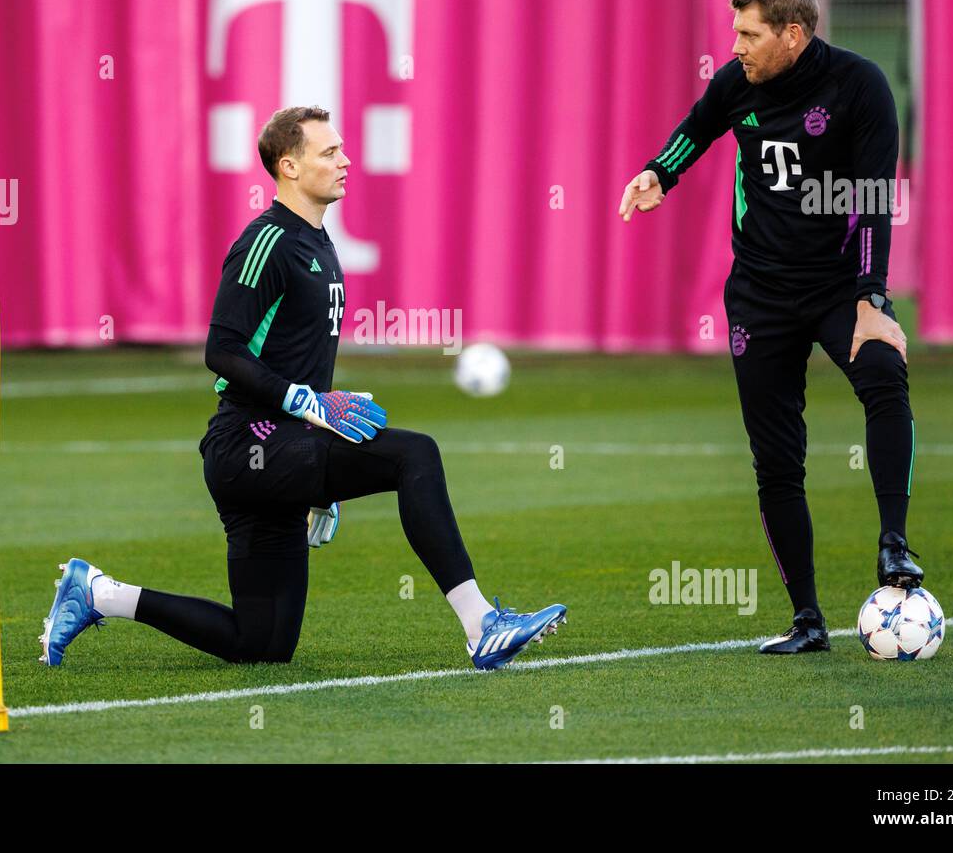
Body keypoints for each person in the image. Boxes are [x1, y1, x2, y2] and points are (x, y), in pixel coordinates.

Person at [41, 105, 565, 671]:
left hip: (278, 452)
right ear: (288, 166)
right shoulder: (266, 241)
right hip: (248, 445)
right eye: (329, 152)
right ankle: (480, 622)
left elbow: (295, 360)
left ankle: (97, 593)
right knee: (414, 455)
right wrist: (303, 404)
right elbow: (222, 350)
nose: (345, 161)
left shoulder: (319, 244)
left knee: (261, 645)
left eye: (341, 149)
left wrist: (318, 471)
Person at [618, 0, 922, 654]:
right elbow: (697, 129)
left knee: (883, 373)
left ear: (794, 33)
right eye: (735, 32)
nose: (736, 47)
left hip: (841, 286)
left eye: (750, 34)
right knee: (777, 459)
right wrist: (656, 174)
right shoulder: (738, 83)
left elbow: (874, 194)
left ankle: (895, 544)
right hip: (759, 294)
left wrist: (873, 298)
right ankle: (807, 619)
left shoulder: (859, 85)